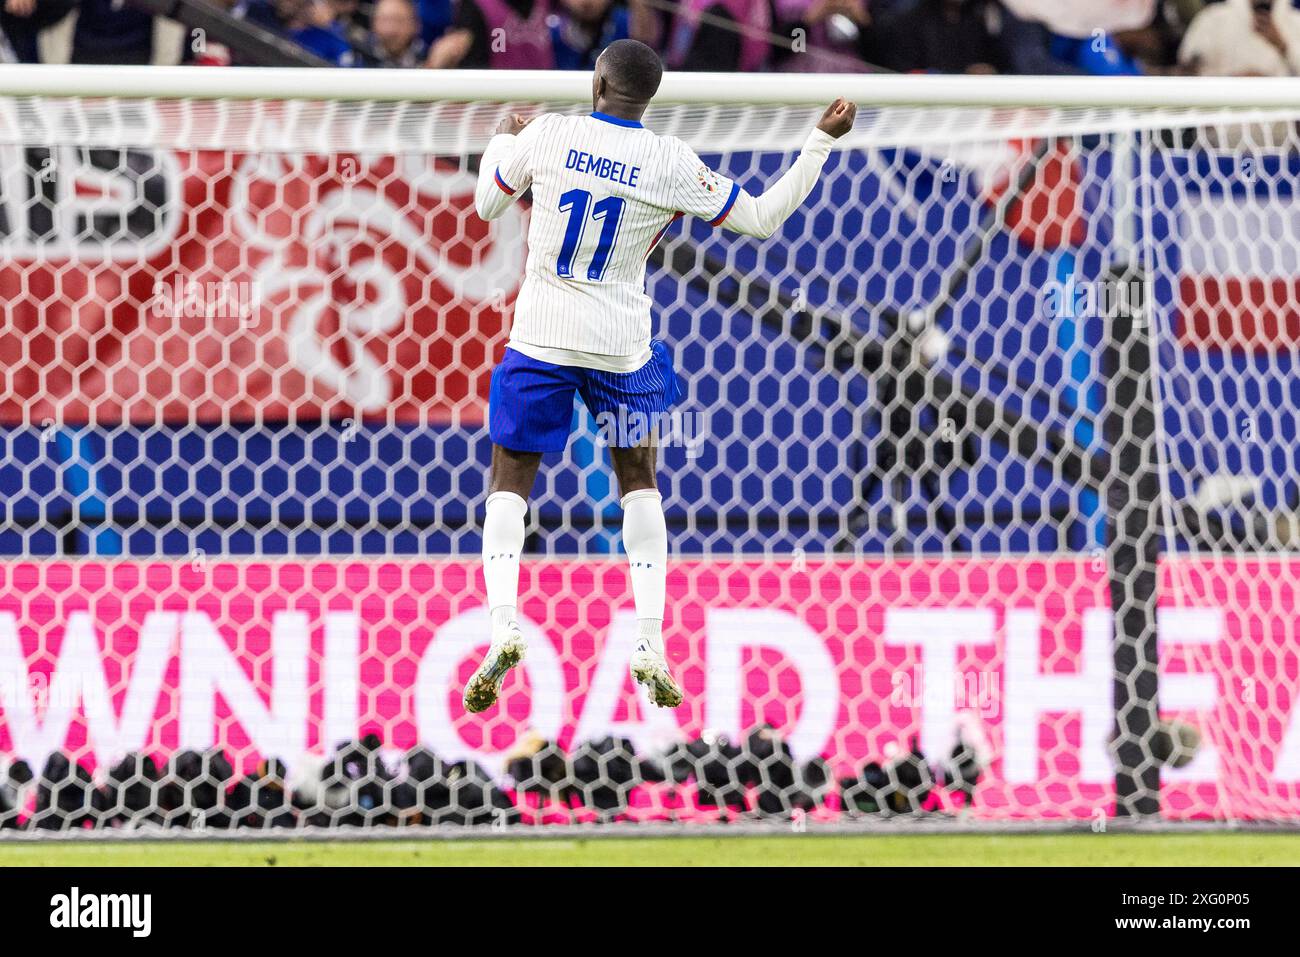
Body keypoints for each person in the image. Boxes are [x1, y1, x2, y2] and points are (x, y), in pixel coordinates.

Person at [465, 38, 856, 712]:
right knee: (638, 479)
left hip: (542, 336)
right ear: (649, 98)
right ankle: (650, 637)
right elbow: (762, 218)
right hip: (621, 345)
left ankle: (503, 623)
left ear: (597, 83)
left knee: (510, 477)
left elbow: (486, 206)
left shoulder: (551, 135)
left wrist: (501, 143)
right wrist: (818, 141)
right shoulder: (669, 161)